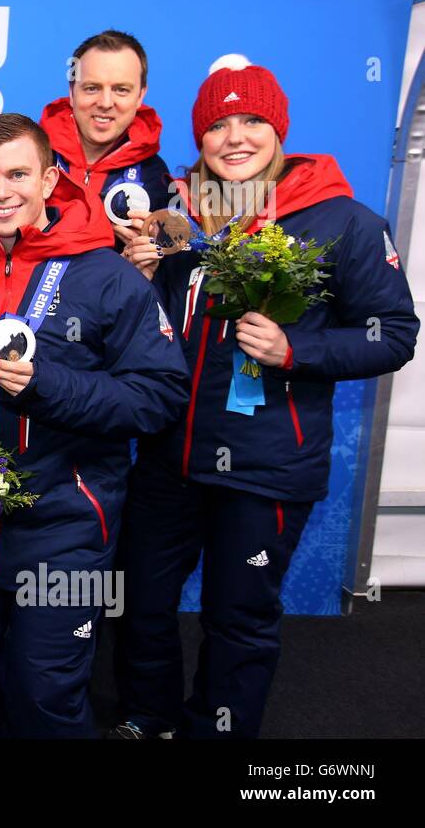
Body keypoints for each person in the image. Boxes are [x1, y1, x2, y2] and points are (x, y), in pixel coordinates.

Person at [113, 57, 419, 739]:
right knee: (142, 602)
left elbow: (395, 334)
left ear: (279, 128)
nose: (236, 136)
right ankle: (146, 717)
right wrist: (138, 281)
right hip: (169, 454)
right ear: (201, 138)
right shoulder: (179, 220)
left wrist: (297, 350)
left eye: (252, 120)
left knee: (238, 615)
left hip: (268, 465)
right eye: (219, 124)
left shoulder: (341, 220)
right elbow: (159, 329)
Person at [0, 113, 187, 738]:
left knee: (45, 695)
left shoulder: (108, 276)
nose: (1, 191)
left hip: (64, 523)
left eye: (18, 173)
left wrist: (49, 387)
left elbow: (159, 395)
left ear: (51, 178)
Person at [40, 30, 171, 247]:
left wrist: (146, 258)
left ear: (140, 96)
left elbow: (167, 273)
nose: (105, 102)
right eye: (92, 88)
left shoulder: (155, 176)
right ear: (72, 92)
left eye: (121, 90)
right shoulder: (33, 156)